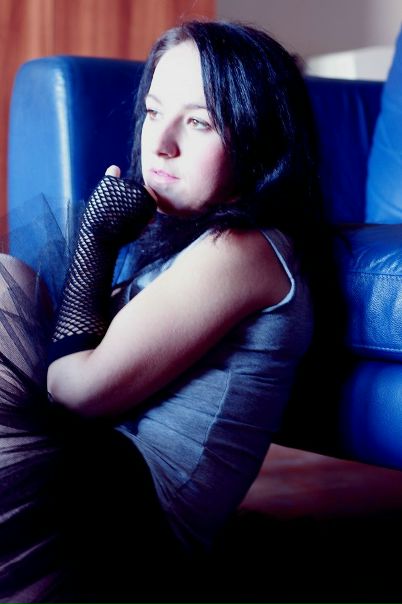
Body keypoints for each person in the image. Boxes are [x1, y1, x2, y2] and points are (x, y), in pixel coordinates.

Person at [0, 19, 323, 602]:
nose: (161, 143)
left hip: (135, 523)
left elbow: (73, 391)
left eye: (199, 122)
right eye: (153, 112)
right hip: (97, 472)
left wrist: (96, 241)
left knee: (6, 286)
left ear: (259, 137)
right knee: (13, 282)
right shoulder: (190, 238)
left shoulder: (243, 250)